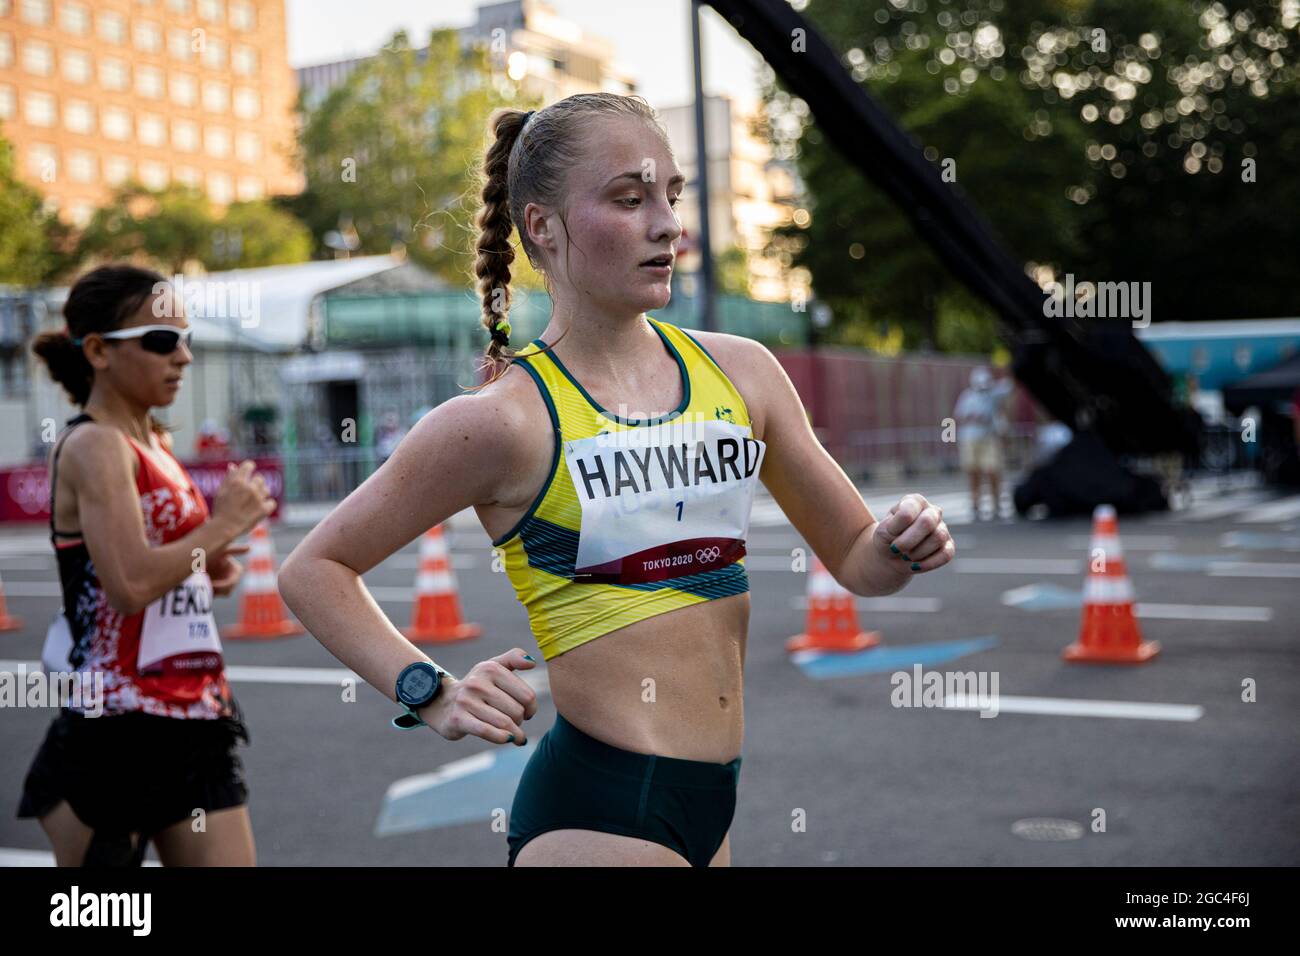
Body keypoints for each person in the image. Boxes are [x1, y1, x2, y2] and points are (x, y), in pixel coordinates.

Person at [278, 93, 955, 867]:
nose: (667, 224)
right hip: (598, 814)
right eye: (629, 200)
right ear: (542, 227)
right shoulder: (501, 421)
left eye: (672, 195)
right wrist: (427, 690)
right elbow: (314, 568)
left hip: (713, 808)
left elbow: (858, 561)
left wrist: (902, 543)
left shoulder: (743, 373)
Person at [19, 265, 275, 866]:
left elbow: (164, 570)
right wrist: (222, 527)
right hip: (118, 727)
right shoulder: (94, 445)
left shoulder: (154, 443)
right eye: (162, 340)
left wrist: (208, 567)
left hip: (194, 715)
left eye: (186, 338)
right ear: (99, 351)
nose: (183, 357)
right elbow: (130, 585)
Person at [953, 366, 1013, 520]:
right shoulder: (966, 396)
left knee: (993, 470)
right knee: (973, 472)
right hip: (969, 439)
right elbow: (958, 416)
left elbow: (1008, 386)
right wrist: (974, 418)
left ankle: (996, 502)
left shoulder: (993, 394)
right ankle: (975, 503)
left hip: (989, 438)